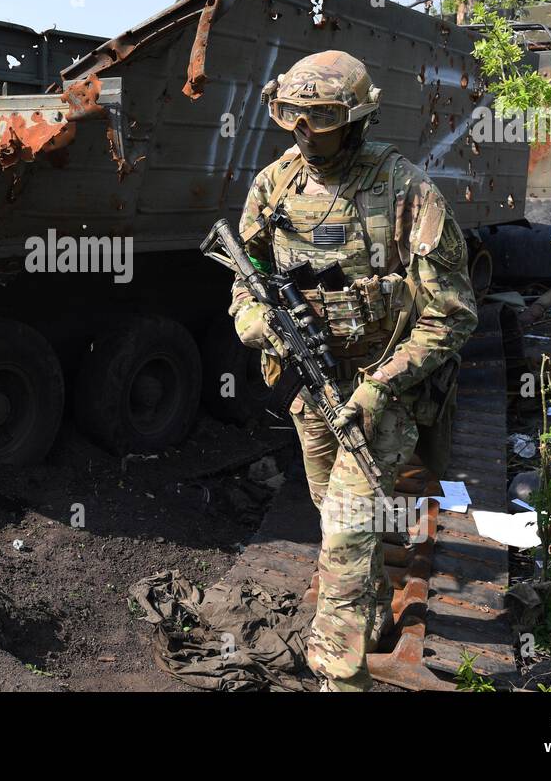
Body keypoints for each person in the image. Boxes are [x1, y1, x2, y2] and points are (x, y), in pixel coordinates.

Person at [229, 50, 478, 691]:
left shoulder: (405, 190)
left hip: (382, 390)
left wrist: (379, 386)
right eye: (292, 115)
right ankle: (368, 620)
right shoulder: (274, 186)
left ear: (357, 119)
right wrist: (253, 320)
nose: (304, 131)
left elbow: (451, 315)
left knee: (343, 533)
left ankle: (338, 677)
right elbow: (246, 277)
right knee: (335, 516)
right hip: (311, 387)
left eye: (320, 118)